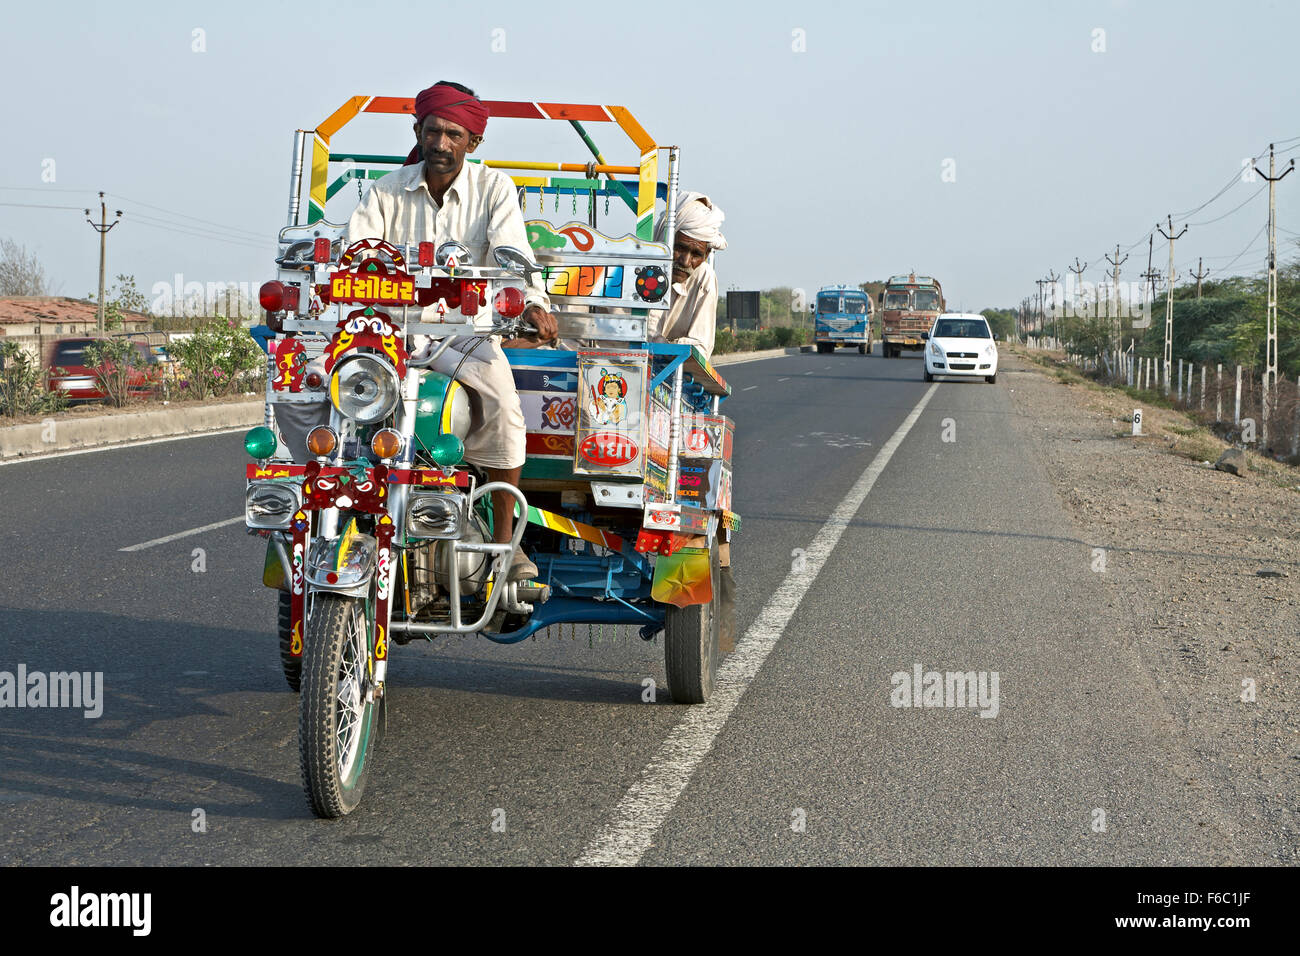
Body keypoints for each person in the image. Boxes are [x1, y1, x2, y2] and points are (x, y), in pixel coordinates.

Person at [344, 80, 558, 581]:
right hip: (388, 334)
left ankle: (504, 550)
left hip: (461, 334)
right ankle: (327, 520)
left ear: (473, 143)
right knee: (312, 396)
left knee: (506, 408)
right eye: (433, 131)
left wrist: (531, 304)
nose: (441, 144)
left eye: (453, 135)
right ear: (417, 130)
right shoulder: (384, 191)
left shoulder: (495, 189)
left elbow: (514, 261)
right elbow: (352, 260)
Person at [651, 191, 727, 360]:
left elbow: (700, 348)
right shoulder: (635, 266)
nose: (686, 261)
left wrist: (663, 346)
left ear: (705, 256)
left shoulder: (703, 277)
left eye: (696, 254)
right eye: (680, 248)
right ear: (665, 241)